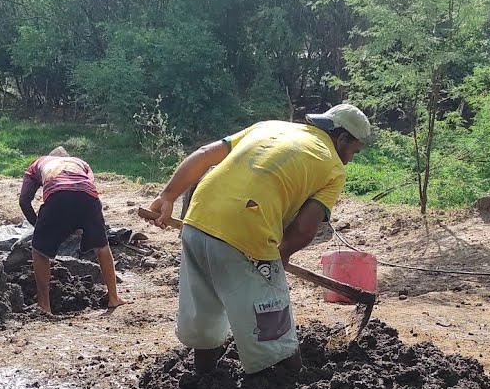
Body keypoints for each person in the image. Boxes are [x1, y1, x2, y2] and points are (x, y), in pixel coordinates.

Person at [147, 104, 370, 374]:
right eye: (353, 152)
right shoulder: (334, 168)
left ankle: (203, 383)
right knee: (273, 327)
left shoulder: (269, 127)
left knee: (205, 312)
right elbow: (304, 227)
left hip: (196, 221)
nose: (350, 160)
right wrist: (281, 255)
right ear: (342, 138)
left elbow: (205, 154)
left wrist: (168, 196)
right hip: (247, 234)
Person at [20, 147, 125, 313]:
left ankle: (44, 305)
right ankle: (113, 297)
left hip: (58, 196)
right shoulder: (81, 163)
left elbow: (24, 200)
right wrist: (79, 223)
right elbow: (85, 189)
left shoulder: (37, 164)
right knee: (102, 246)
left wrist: (38, 226)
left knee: (39, 251)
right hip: (89, 198)